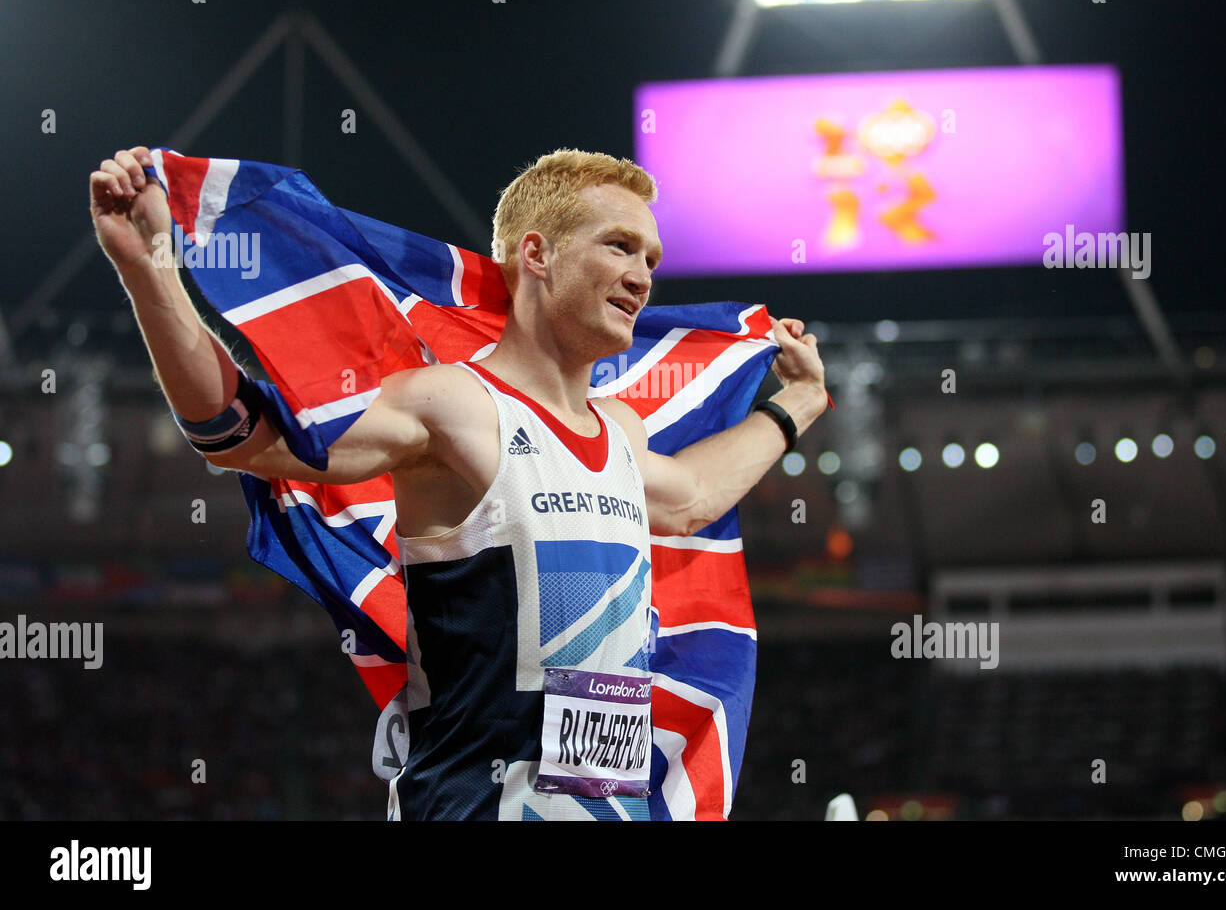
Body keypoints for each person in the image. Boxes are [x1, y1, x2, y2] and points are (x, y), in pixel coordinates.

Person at [90, 145, 829, 820]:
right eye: (619, 246)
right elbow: (242, 434)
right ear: (536, 254)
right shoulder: (454, 406)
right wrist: (149, 269)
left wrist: (797, 403)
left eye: (651, 259)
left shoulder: (621, 434)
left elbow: (694, 497)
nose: (642, 277)